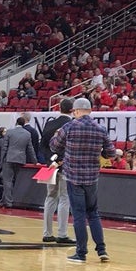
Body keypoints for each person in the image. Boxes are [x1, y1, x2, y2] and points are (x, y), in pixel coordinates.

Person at [50, 98, 114, 263]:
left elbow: (54, 146)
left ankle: (81, 253)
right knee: (93, 213)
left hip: (74, 177)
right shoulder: (100, 129)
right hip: (92, 178)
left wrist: (57, 137)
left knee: (79, 215)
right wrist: (101, 153)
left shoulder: (69, 127)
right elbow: (111, 153)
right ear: (90, 111)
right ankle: (101, 250)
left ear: (76, 111)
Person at [40, 99, 74, 244]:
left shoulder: (49, 124)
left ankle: (47, 233)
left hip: (50, 165)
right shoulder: (72, 125)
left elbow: (42, 146)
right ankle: (62, 234)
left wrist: (51, 161)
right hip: (66, 165)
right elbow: (70, 146)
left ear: (59, 108)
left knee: (50, 197)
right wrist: (60, 160)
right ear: (72, 110)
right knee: (64, 198)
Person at [0, 116, 37, 208]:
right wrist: (35, 161)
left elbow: (4, 147)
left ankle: (8, 202)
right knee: (14, 181)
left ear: (16, 123)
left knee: (7, 181)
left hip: (9, 158)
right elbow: (30, 149)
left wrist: (1, 159)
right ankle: (4, 201)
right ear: (24, 124)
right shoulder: (27, 134)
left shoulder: (9, 132)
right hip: (20, 159)